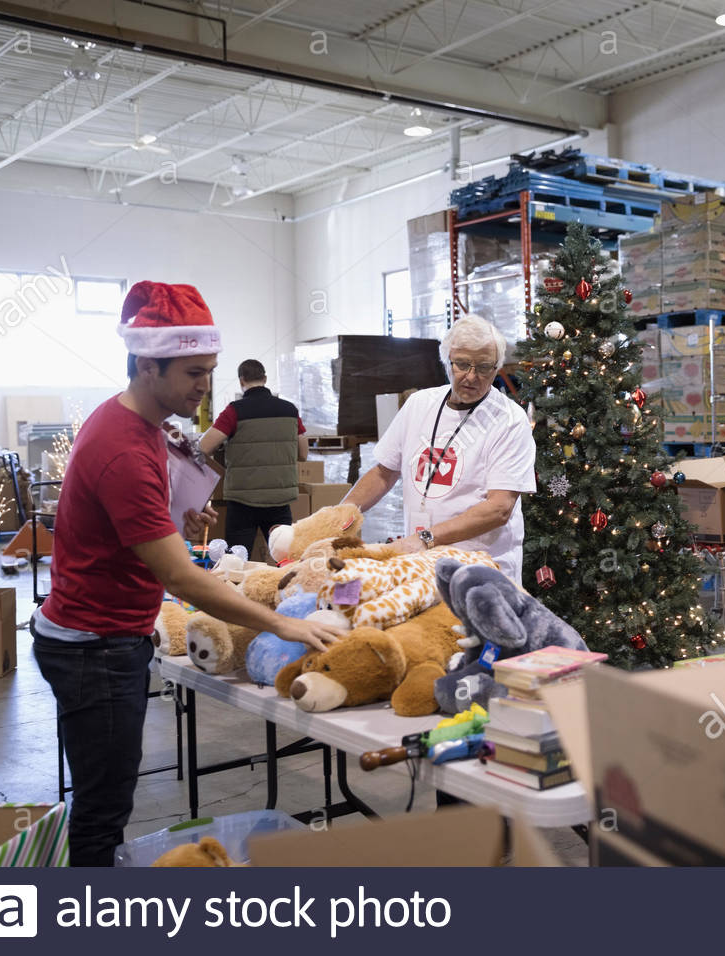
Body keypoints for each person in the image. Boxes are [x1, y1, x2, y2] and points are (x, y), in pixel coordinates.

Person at [31, 281, 342, 867]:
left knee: (106, 802)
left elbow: (134, 527)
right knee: (102, 814)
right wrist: (282, 624)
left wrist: (175, 513)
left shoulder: (144, 426)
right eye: (193, 372)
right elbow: (184, 579)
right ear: (148, 365)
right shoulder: (124, 447)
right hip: (94, 646)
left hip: (101, 633)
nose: (205, 386)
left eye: (211, 370)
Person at [342, 315, 535, 583]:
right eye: (463, 364)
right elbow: (384, 473)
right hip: (420, 566)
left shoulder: (510, 420)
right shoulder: (419, 404)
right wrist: (338, 516)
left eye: (483, 367)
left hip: (481, 572)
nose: (471, 376)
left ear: (496, 367)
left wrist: (425, 538)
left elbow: (499, 508)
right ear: (447, 360)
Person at [198, 359, 307, 556]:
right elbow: (303, 453)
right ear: (264, 379)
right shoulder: (290, 410)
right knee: (286, 558)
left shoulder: (234, 411)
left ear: (241, 381)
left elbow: (203, 447)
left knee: (238, 561)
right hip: (279, 501)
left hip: (243, 502)